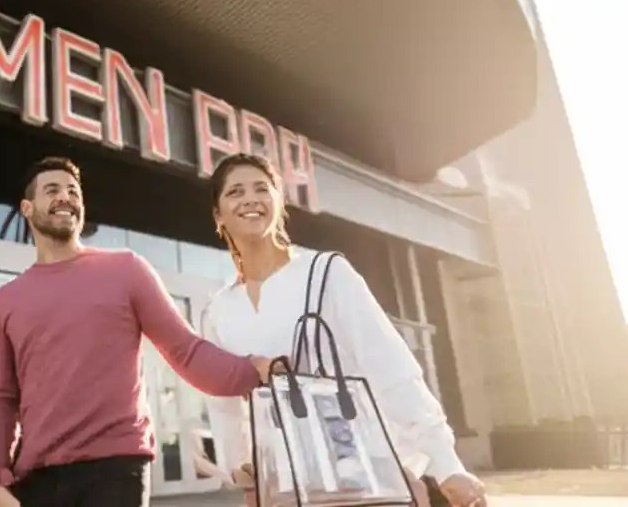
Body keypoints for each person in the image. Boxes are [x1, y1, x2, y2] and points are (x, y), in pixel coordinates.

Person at [0, 156, 276, 507]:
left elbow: (184, 350)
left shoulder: (125, 269)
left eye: (73, 191)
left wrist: (251, 371)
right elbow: (0, 396)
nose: (66, 197)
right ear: (27, 208)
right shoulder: (6, 300)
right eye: (52, 190)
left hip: (115, 472)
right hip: (36, 480)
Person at [199, 153, 488, 507]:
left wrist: (445, 464)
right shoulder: (219, 309)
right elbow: (222, 399)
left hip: (357, 470)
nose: (250, 199)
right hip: (282, 485)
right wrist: (237, 464)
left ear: (279, 201)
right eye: (235, 192)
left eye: (262, 188)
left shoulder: (327, 272)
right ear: (218, 215)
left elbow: (389, 366)